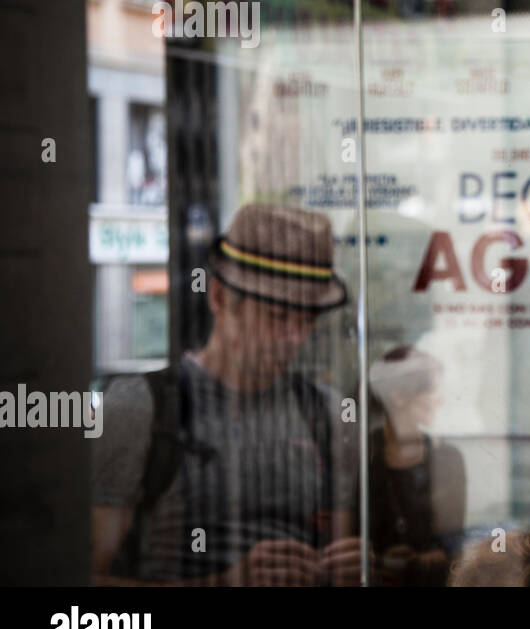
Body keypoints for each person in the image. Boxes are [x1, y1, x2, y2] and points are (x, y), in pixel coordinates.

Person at [91, 204, 363, 585]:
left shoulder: (326, 414)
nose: (294, 338)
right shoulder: (140, 410)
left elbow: (339, 553)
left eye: (306, 320)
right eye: (277, 316)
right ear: (218, 298)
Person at [368, 345, 465, 586]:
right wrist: (375, 561)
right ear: (398, 396)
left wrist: (434, 556)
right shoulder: (364, 454)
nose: (440, 399)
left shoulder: (447, 458)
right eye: (433, 389)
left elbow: (453, 539)